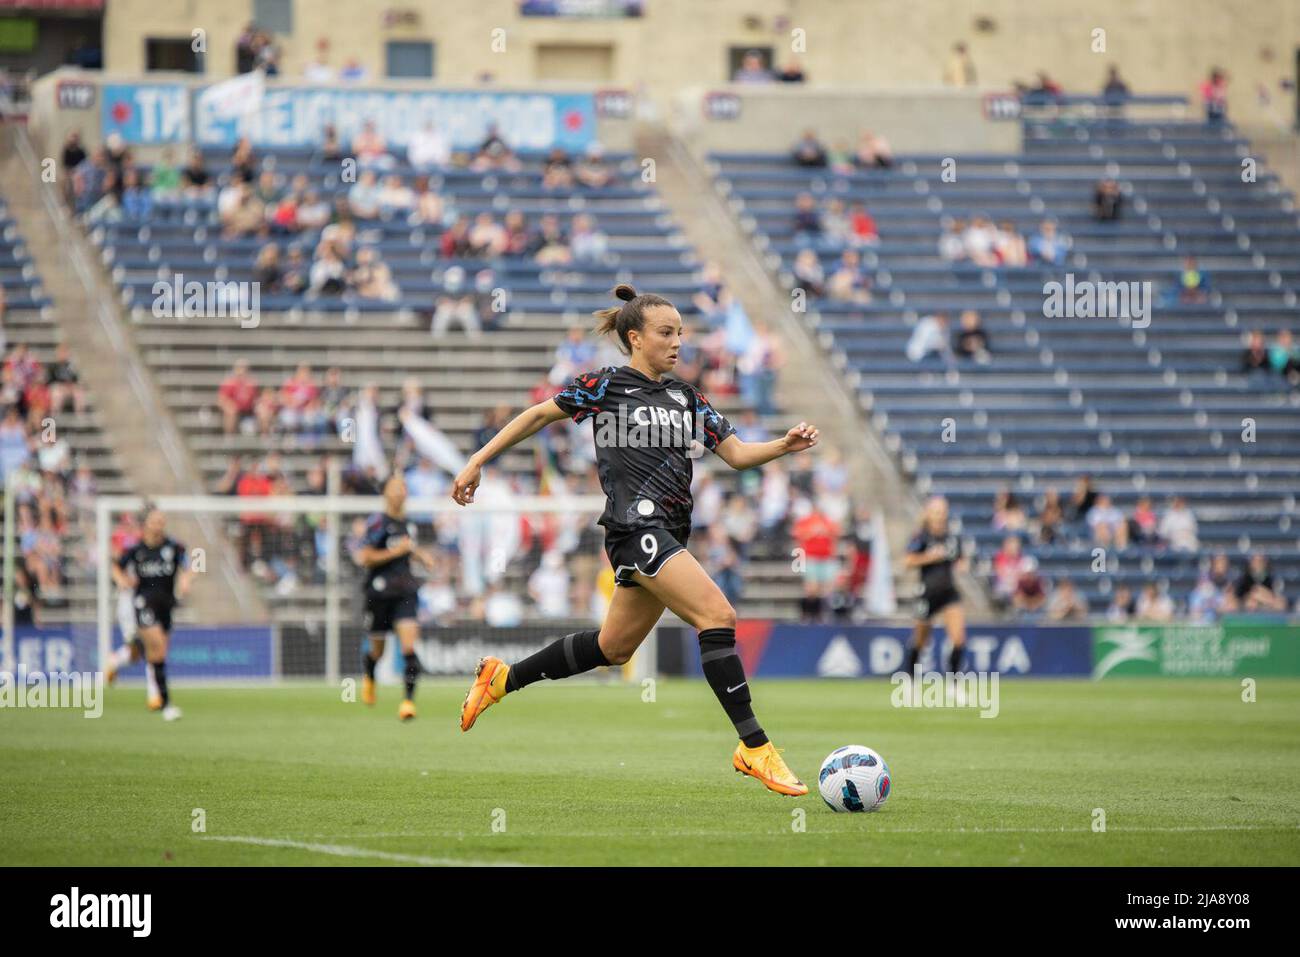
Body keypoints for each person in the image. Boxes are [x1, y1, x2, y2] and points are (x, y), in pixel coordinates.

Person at [452, 283, 820, 797]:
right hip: (634, 529)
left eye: (681, 334)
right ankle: (754, 747)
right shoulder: (605, 386)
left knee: (614, 648)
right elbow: (538, 414)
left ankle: (501, 679)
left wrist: (784, 444)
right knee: (719, 616)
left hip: (670, 532)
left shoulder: (686, 397)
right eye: (666, 333)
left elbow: (735, 454)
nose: (677, 344)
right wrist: (476, 461)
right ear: (634, 338)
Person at [357, 474, 437, 720]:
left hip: (405, 592)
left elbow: (406, 552)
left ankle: (407, 703)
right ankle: (370, 677)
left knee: (409, 648)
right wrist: (396, 551)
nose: (401, 491)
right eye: (396, 487)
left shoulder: (409, 524)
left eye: (404, 487)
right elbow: (365, 557)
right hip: (379, 593)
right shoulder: (377, 523)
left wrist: (420, 556)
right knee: (377, 652)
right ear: (386, 493)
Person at [107, 506, 193, 721]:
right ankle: (163, 701)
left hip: (167, 605)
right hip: (143, 603)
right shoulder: (136, 550)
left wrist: (187, 578)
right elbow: (115, 566)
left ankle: (159, 698)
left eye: (161, 520)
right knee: (155, 645)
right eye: (155, 521)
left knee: (159, 653)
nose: (159, 525)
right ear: (146, 524)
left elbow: (197, 558)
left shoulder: (174, 547)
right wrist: (122, 580)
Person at [900, 497, 967, 674]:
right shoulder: (921, 536)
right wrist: (931, 556)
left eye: (943, 512)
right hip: (927, 592)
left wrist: (962, 564)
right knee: (921, 640)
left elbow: (960, 559)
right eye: (936, 511)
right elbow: (907, 561)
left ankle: (954, 683)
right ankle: (911, 678)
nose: (940, 515)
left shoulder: (952, 537)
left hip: (948, 592)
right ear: (929, 514)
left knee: (958, 638)